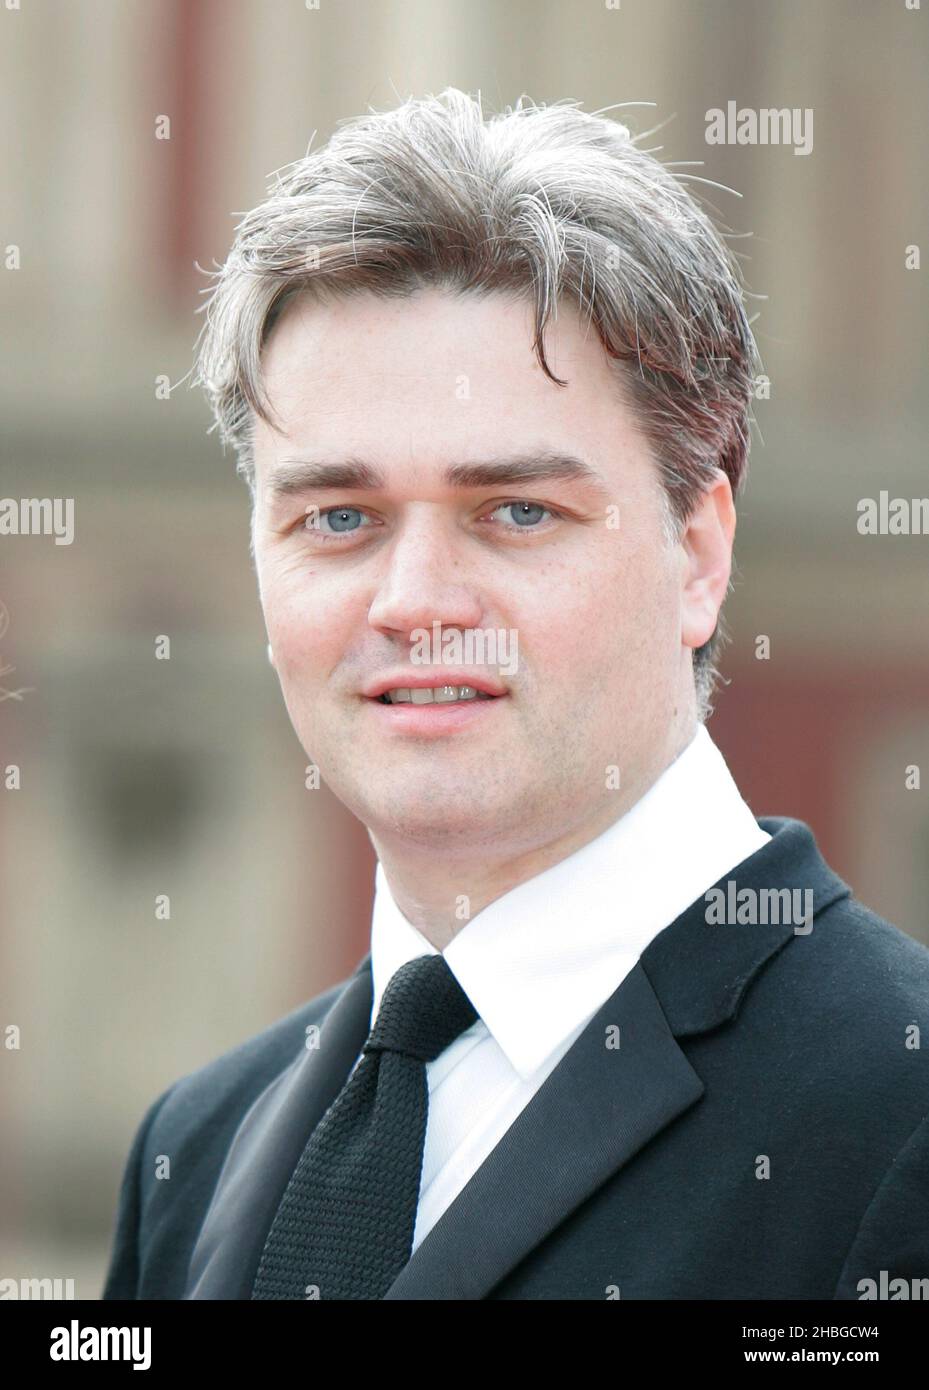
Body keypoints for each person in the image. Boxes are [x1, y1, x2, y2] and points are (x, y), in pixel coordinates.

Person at [102, 88, 929, 1301]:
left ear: (696, 552)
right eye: (339, 517)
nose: (414, 599)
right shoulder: (191, 1150)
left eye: (515, 512)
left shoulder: (895, 1116)